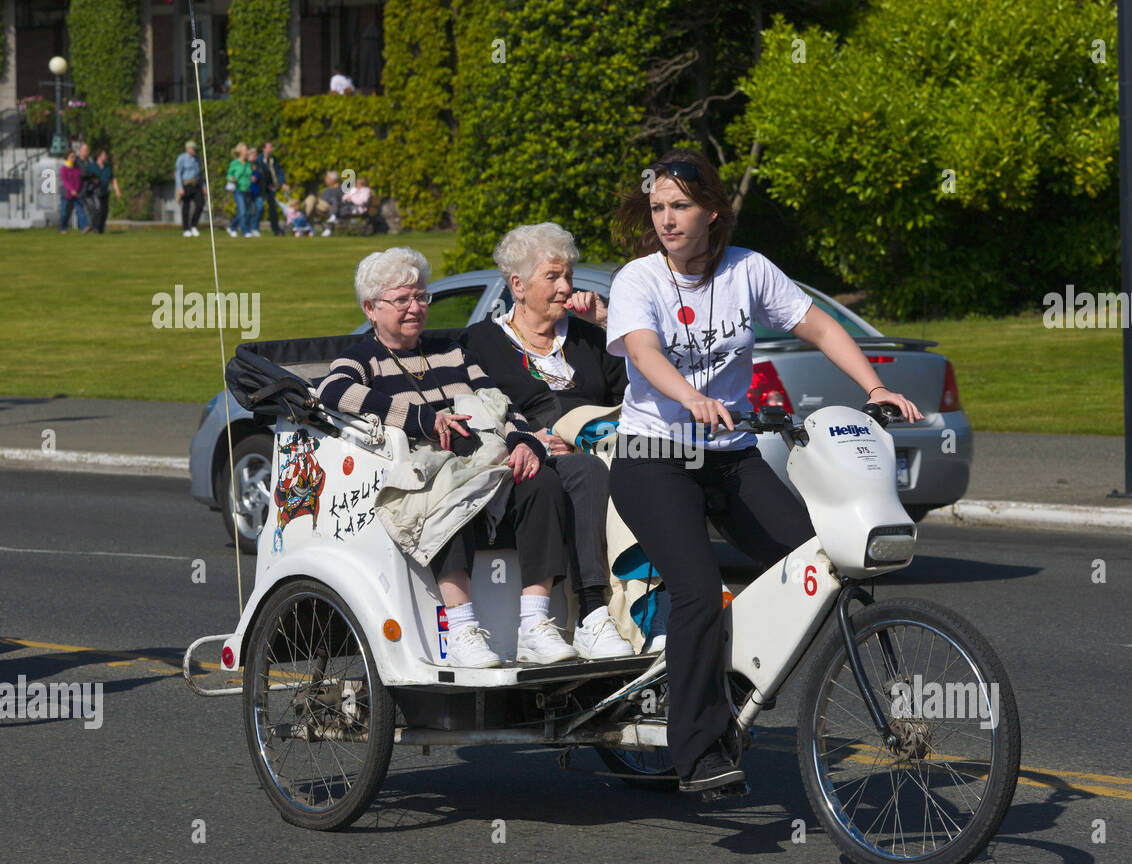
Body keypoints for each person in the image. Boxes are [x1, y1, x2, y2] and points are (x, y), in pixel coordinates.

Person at [604, 149, 922, 793]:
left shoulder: (748, 269)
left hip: (730, 455)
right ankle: (697, 751)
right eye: (659, 207)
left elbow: (817, 325)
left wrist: (873, 386)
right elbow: (643, 350)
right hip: (652, 459)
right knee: (697, 589)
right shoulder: (639, 278)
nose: (667, 219)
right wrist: (689, 396)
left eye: (681, 206)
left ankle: (734, 679)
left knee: (818, 560)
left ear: (712, 210)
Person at [317, 247, 579, 668]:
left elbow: (498, 403)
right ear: (371, 307)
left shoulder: (452, 351)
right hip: (426, 475)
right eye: (402, 300)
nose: (415, 308)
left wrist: (523, 441)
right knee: (452, 493)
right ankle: (461, 628)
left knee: (543, 480)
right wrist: (420, 418)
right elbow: (334, 392)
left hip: (484, 465)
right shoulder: (362, 358)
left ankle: (534, 623)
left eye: (421, 297)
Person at [460, 223, 635, 660]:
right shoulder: (482, 342)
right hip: (527, 463)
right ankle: (593, 614)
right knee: (584, 470)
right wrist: (530, 438)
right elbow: (474, 411)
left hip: (602, 449)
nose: (566, 288)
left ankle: (653, 608)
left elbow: (636, 397)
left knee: (655, 466)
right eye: (552, 277)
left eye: (569, 276)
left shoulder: (588, 337)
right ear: (517, 285)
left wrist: (608, 320)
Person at [85, 149, 121, 235]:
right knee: (98, 209)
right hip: (94, 191)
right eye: (104, 155)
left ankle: (100, 229)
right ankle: (94, 228)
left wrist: (117, 190)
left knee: (104, 211)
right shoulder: (91, 166)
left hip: (105, 191)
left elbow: (113, 178)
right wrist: (92, 179)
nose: (106, 156)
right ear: (99, 156)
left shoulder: (108, 167)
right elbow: (85, 176)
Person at [175, 139, 207, 237]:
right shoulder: (182, 158)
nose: (194, 151)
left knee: (200, 204)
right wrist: (180, 187)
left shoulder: (197, 158)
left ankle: (193, 225)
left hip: (196, 184)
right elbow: (178, 173)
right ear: (187, 149)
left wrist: (203, 185)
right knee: (186, 207)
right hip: (186, 184)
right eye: (192, 149)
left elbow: (200, 173)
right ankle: (186, 229)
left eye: (195, 149)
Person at [257, 142, 286, 236]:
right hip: (262, 188)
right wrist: (267, 184)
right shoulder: (259, 160)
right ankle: (253, 228)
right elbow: (261, 174)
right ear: (263, 149)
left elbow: (279, 171)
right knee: (259, 208)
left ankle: (276, 230)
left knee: (273, 208)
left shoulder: (274, 159)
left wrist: (283, 183)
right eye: (269, 147)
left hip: (272, 188)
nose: (271, 149)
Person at [225, 142, 253, 238]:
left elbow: (250, 174)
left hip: (247, 189)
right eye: (245, 150)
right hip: (238, 189)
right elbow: (228, 175)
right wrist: (232, 178)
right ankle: (245, 231)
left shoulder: (249, 164)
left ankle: (232, 226)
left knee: (247, 212)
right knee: (243, 211)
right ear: (240, 151)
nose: (247, 151)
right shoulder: (235, 163)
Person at [58, 149, 87, 234]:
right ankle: (62, 228)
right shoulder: (64, 168)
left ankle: (84, 227)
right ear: (67, 157)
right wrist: (71, 190)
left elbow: (80, 180)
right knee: (65, 212)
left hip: (77, 194)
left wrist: (79, 190)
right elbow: (65, 181)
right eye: (72, 157)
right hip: (67, 195)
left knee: (80, 210)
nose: (74, 158)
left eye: (74, 157)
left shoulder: (77, 168)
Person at [244, 144, 263, 237]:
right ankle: (246, 228)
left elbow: (260, 173)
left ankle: (254, 228)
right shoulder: (245, 164)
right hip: (248, 191)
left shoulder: (258, 164)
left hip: (256, 191)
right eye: (254, 155)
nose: (256, 157)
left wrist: (256, 175)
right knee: (248, 211)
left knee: (259, 208)